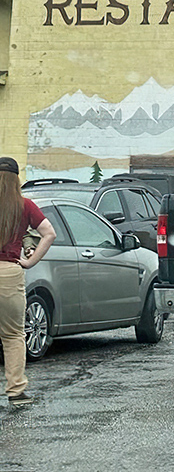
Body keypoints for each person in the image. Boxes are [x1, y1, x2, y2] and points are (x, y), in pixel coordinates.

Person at [0, 157, 56, 406]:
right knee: (12, 335)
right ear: (16, 179)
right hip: (9, 273)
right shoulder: (25, 205)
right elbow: (49, 233)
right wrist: (30, 262)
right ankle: (16, 391)